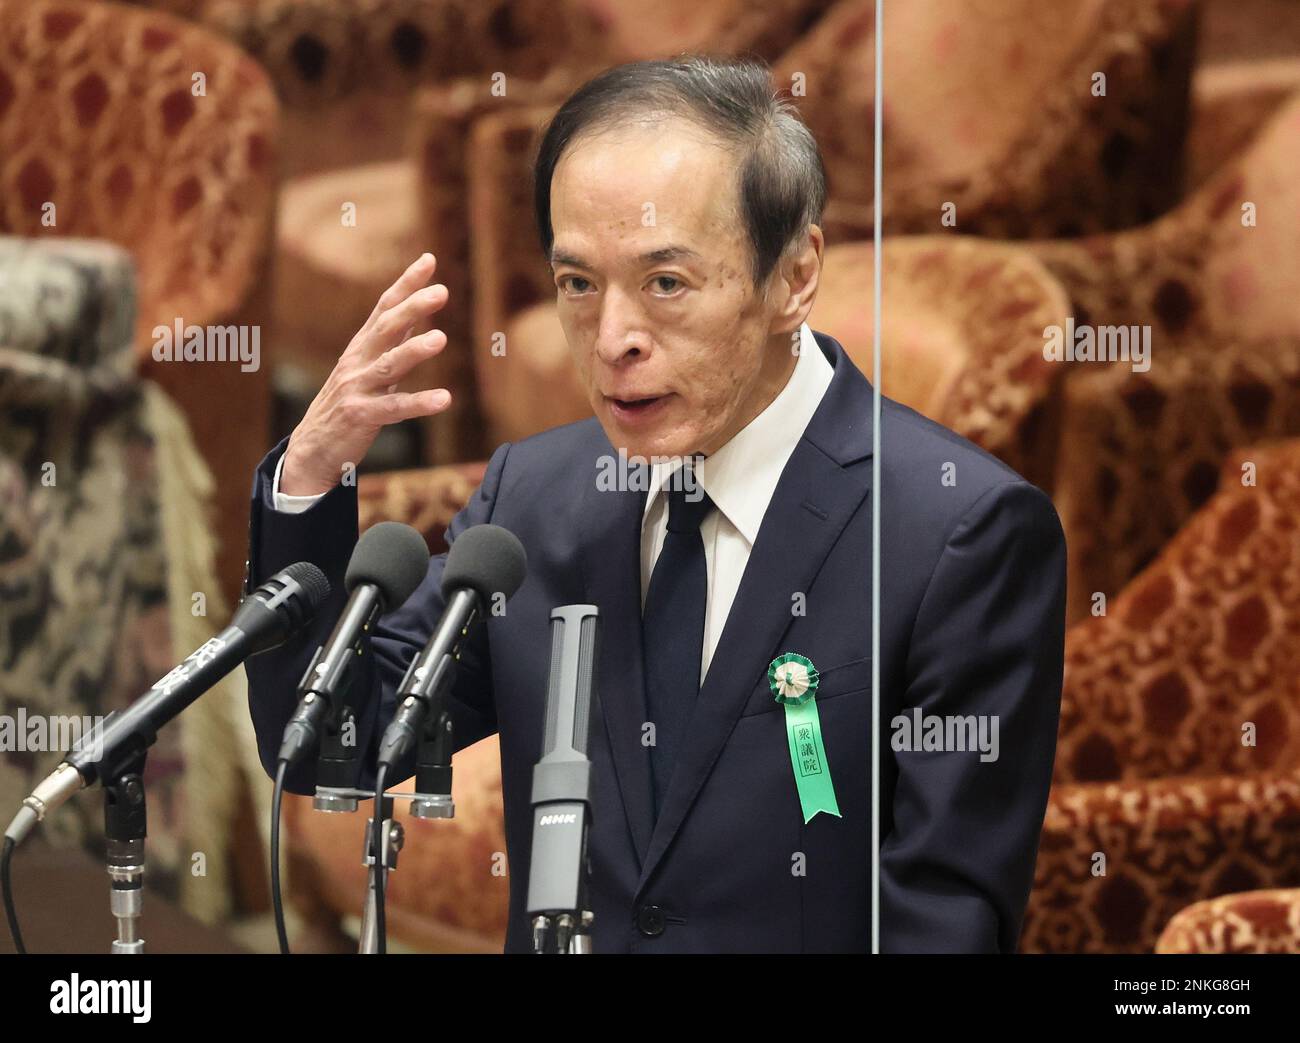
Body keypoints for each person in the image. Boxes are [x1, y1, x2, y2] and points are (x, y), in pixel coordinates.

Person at [244, 55, 1066, 953]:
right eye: (578, 284)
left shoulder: (957, 534)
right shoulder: (536, 502)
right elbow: (331, 735)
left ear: (793, 275)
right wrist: (311, 480)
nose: (613, 339)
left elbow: (944, 926)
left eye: (665, 283)